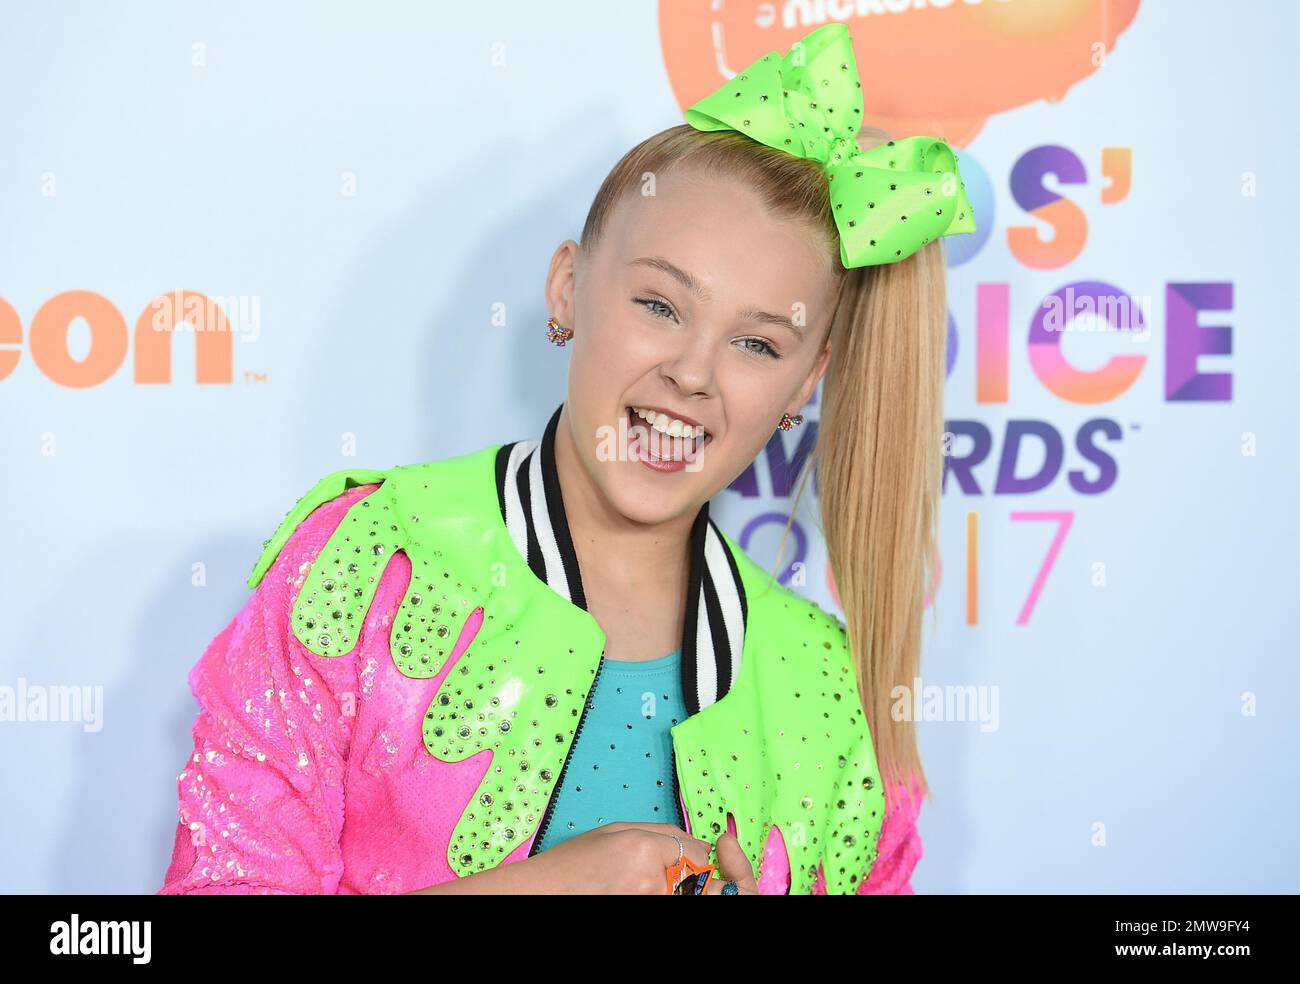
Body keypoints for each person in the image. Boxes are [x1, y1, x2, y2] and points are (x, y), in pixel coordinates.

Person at [157, 21, 975, 896]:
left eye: (757, 345)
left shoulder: (826, 688)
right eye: (660, 305)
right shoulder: (369, 565)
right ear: (567, 289)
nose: (692, 374)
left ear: (804, 386)